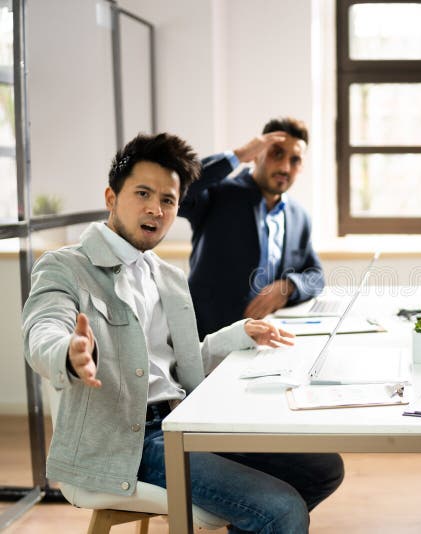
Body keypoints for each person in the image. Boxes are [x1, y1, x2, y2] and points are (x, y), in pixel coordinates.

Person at [22, 133, 344, 533]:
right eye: (142, 193)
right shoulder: (66, 266)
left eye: (168, 200)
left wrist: (238, 334)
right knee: (282, 510)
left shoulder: (167, 277)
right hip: (130, 442)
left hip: (183, 422)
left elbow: (181, 366)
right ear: (111, 197)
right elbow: (42, 329)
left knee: (323, 468)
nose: (155, 209)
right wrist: (68, 353)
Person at [179, 117, 324, 339]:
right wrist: (238, 155)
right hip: (208, 340)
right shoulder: (218, 194)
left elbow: (316, 276)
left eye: (294, 160)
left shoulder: (299, 217)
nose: (285, 167)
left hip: (268, 338)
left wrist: (287, 287)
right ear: (257, 154)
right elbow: (179, 188)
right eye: (277, 153)